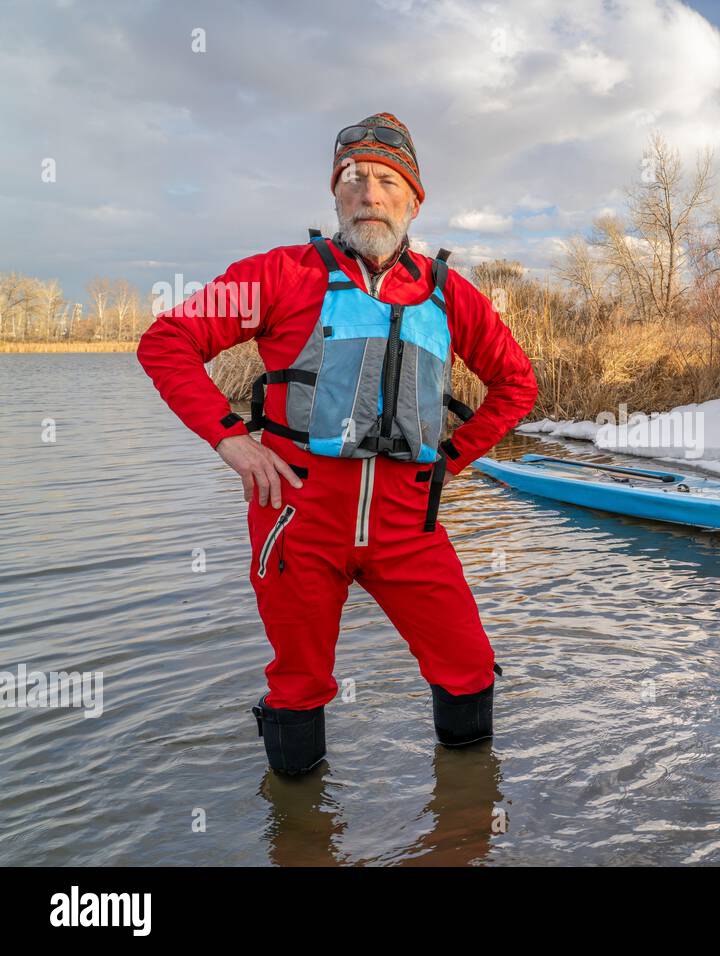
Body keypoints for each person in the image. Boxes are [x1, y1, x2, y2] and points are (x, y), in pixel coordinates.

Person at [137, 112, 538, 774]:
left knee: (468, 669)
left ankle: (465, 821)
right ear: (335, 195)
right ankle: (300, 827)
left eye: (386, 181)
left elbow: (517, 385)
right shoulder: (279, 273)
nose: (369, 195)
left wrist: (450, 462)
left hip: (411, 526)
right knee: (298, 685)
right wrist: (230, 440)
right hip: (295, 523)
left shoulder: (449, 294)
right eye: (353, 180)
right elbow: (168, 342)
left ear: (414, 200)